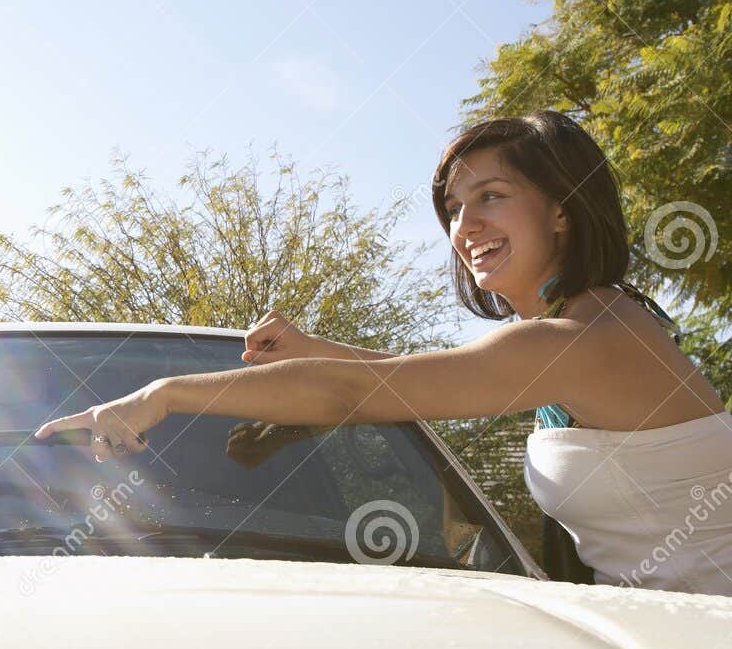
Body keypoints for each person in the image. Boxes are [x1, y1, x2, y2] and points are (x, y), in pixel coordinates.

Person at [36, 110, 732, 595]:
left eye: (492, 196)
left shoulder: (584, 339)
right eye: (455, 207)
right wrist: (314, 350)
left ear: (562, 208)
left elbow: (361, 395)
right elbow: (410, 380)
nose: (467, 226)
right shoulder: (583, 324)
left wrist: (163, 396)